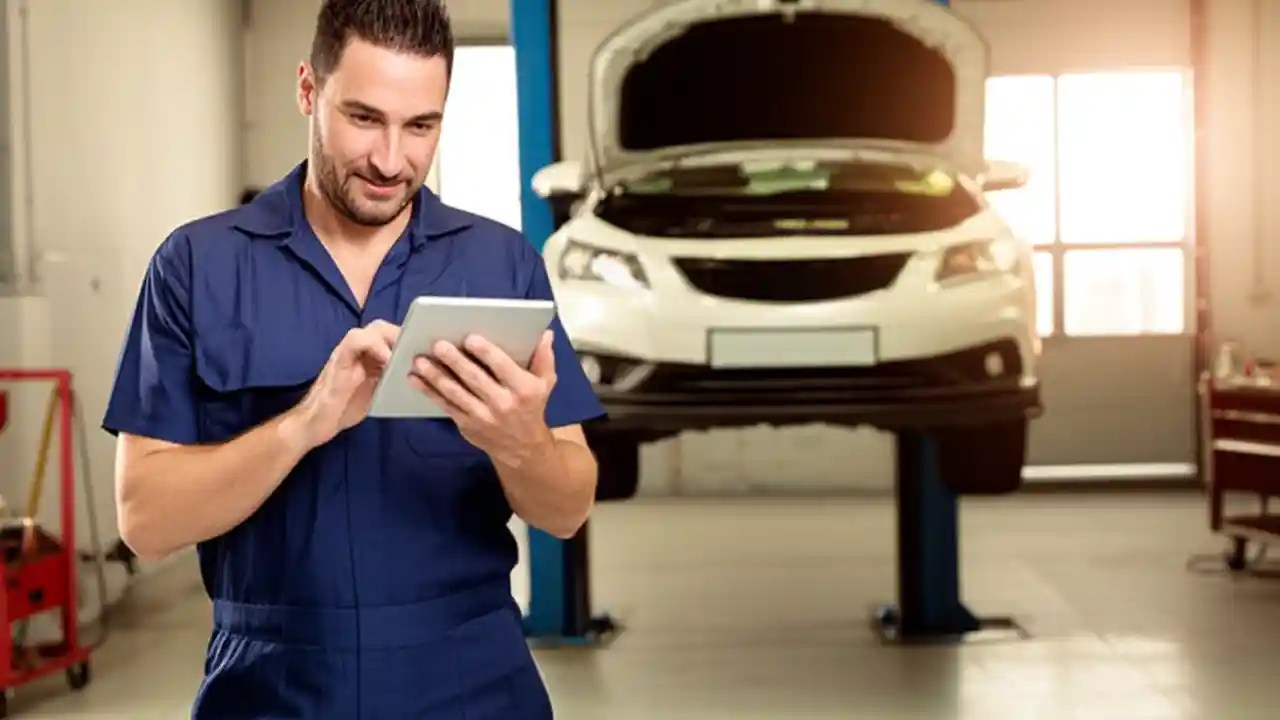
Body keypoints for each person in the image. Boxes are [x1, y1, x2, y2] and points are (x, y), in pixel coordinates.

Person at [101, 0, 604, 717]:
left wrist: (520, 445)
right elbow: (145, 521)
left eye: (420, 126)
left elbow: (567, 510)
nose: (391, 160)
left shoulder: (501, 265)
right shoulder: (197, 266)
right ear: (308, 90)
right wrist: (303, 423)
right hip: (271, 685)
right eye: (363, 118)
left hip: (473, 677)